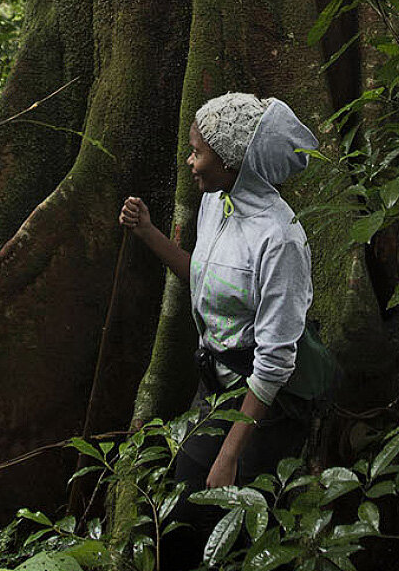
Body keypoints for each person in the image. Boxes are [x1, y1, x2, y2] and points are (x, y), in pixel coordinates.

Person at [119, 93, 319, 561]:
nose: (190, 162)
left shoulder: (280, 239)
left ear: (231, 160)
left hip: (268, 404)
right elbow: (202, 275)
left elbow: (274, 361)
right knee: (182, 506)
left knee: (245, 525)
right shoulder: (217, 203)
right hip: (217, 386)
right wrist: (148, 231)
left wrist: (229, 453)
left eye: (197, 152)